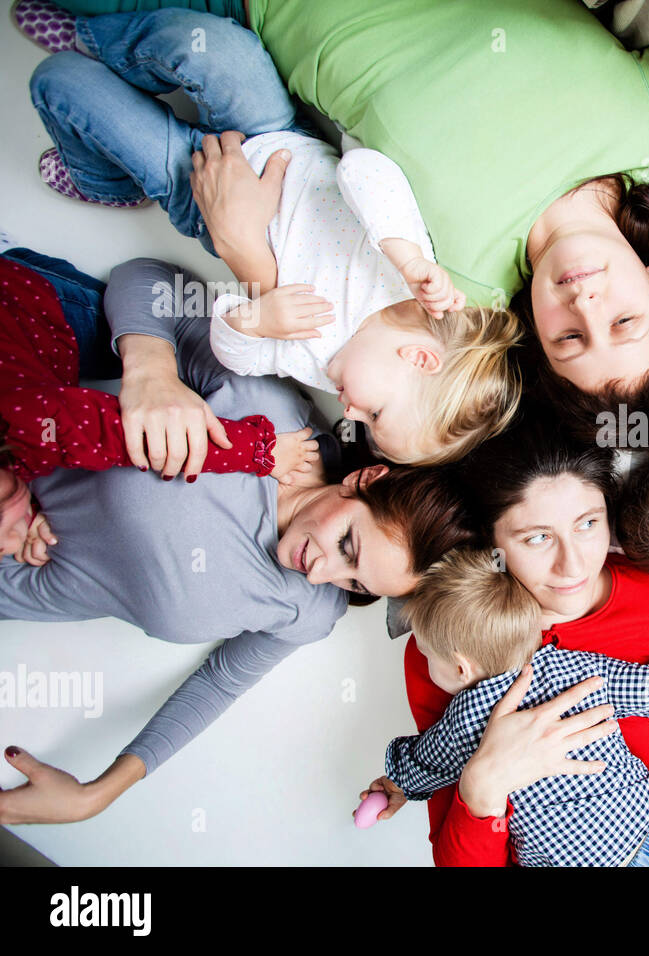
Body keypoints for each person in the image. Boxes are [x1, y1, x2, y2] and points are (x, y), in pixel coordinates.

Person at [29, 0, 649, 401]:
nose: (584, 305)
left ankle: (103, 46)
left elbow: (335, 317)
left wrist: (249, 261)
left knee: (105, 39)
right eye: (624, 320)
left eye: (569, 339)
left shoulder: (465, 284)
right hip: (245, 75)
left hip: (258, 18)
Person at [0, 256, 473, 825]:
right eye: (348, 547)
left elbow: (216, 686)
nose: (320, 575)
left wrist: (98, 794)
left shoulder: (310, 609)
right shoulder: (265, 419)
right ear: (363, 480)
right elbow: (150, 280)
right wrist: (151, 370)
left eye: (353, 583)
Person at [28, 9, 522, 464]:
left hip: (199, 198)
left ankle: (100, 181)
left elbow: (237, 357)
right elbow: (362, 168)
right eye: (375, 415)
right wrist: (406, 255)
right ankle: (96, 38)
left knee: (60, 84)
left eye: (363, 428)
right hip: (278, 135)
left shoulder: (320, 361)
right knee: (217, 49)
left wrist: (255, 321)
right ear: (418, 358)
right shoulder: (407, 275)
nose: (349, 416)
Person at [391, 413, 649, 866]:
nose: (573, 565)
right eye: (537, 538)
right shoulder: (446, 642)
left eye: (587, 524)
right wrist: (482, 786)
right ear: (490, 541)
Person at [367, 547, 649, 867]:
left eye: (427, 654)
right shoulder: (571, 667)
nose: (422, 660)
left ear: (462, 668)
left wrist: (396, 785)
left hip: (577, 858)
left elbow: (426, 763)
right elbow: (644, 690)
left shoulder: (462, 723)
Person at [0, 250, 321, 566]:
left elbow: (128, 433)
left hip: (25, 303)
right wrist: (30, 506)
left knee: (106, 339)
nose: (12, 544)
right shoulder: (34, 432)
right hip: (38, 366)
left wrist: (261, 450)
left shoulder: (26, 420)